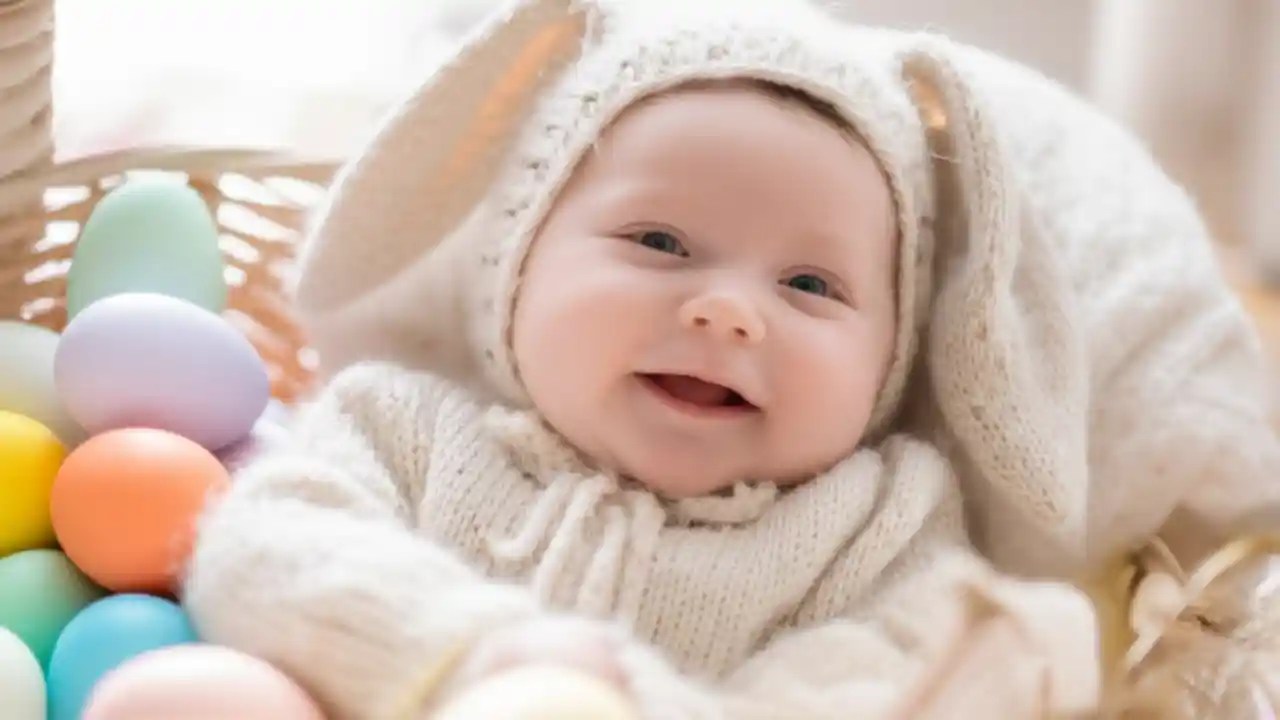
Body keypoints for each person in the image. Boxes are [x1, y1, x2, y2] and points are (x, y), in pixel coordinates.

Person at [180, 1, 1280, 718]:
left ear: (887, 363)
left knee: (1003, 652)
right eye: (657, 243)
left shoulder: (875, 520)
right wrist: (485, 661)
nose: (725, 312)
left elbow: (878, 674)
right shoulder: (408, 428)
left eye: (809, 287)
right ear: (515, 276)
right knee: (186, 696)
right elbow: (266, 544)